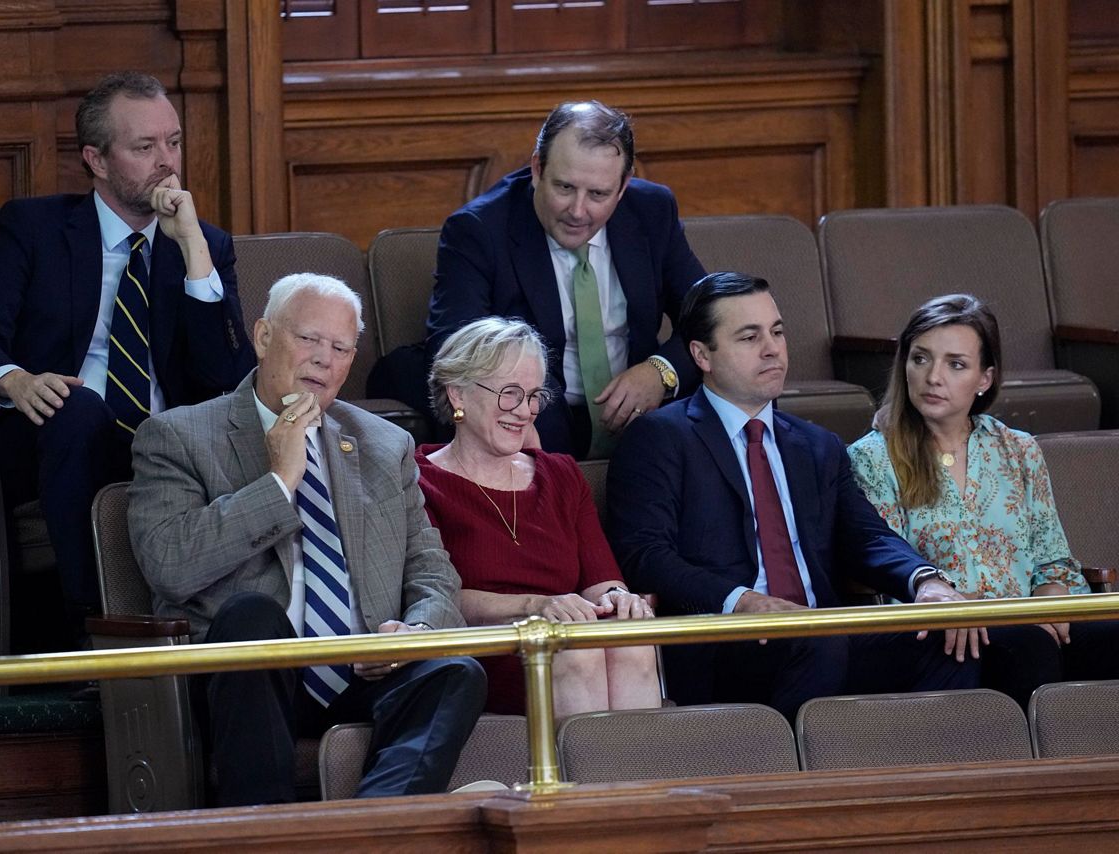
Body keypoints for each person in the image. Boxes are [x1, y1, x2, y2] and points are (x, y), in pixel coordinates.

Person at [128, 272, 487, 806]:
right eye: (309, 340)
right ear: (264, 336)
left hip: (363, 670)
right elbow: (171, 564)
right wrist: (279, 482)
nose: (324, 359)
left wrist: (407, 633)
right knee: (253, 615)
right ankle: (269, 837)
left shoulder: (385, 445)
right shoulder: (179, 436)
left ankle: (373, 831)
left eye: (340, 347)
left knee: (456, 669)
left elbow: (433, 573)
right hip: (249, 679)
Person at [0, 71, 253, 644]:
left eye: (173, 142)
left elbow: (229, 380)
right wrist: (16, 382)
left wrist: (195, 253)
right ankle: (94, 628)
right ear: (96, 160)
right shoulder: (34, 229)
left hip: (166, 440)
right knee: (78, 409)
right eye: (144, 147)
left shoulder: (203, 245)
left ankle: (230, 634)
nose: (167, 163)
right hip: (56, 435)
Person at [607, 272, 982, 721]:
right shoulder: (660, 437)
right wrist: (740, 599)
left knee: (957, 640)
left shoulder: (816, 445)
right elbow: (645, 554)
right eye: (750, 337)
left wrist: (926, 582)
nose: (772, 348)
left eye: (777, 332)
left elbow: (866, 537)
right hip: (725, 641)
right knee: (818, 645)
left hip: (819, 632)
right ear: (701, 355)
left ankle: (921, 782)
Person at [849, 294, 1119, 708]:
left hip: (1025, 622)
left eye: (956, 364)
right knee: (1028, 645)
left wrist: (1050, 602)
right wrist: (985, 613)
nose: (933, 377)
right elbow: (888, 574)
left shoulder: (1019, 450)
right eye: (921, 359)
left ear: (985, 379)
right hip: (941, 630)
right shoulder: (872, 456)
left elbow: (1053, 561)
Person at [426, 101, 706, 459]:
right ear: (537, 169)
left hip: (643, 412)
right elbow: (454, 349)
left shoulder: (652, 210)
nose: (577, 211)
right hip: (537, 418)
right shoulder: (479, 229)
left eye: (598, 195)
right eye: (564, 187)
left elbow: (711, 316)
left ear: (623, 187)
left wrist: (660, 372)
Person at [415, 317, 661, 717]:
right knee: (574, 652)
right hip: (487, 651)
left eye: (534, 396)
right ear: (458, 394)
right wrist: (538, 605)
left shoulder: (562, 474)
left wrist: (619, 600)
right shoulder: (419, 478)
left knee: (631, 640)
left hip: (569, 636)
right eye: (510, 393)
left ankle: (636, 776)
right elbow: (436, 596)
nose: (526, 411)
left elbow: (602, 582)